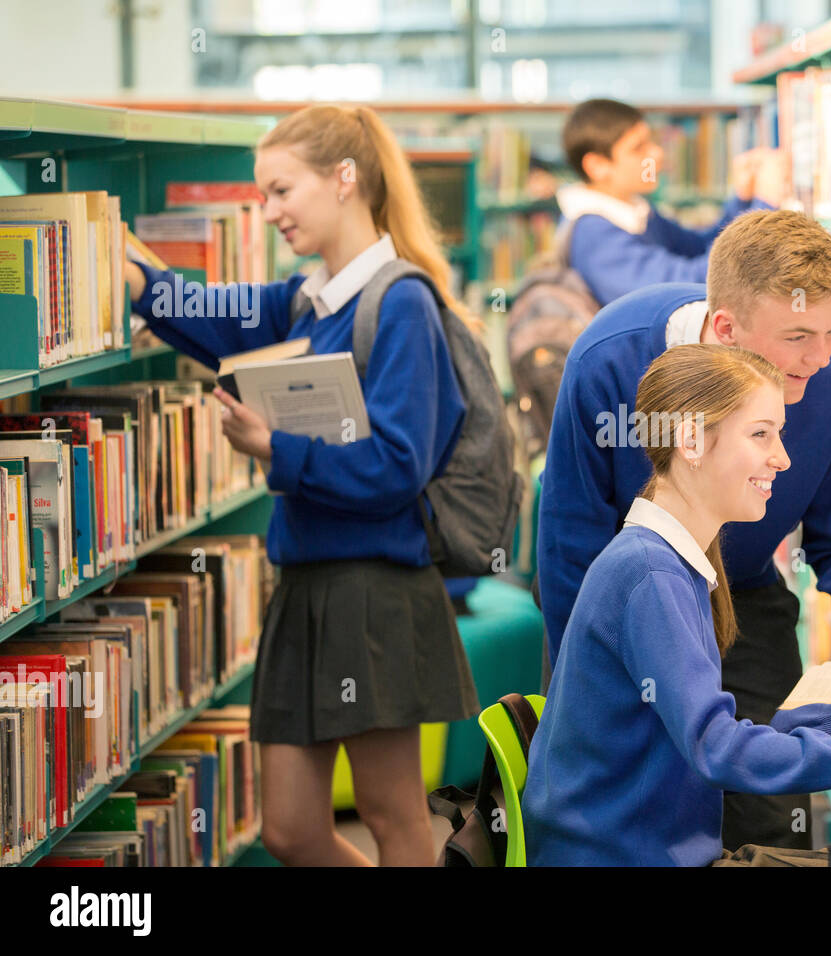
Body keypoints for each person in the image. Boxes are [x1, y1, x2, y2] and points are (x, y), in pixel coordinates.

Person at [124, 104, 479, 866]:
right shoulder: (309, 298)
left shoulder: (401, 302)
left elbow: (396, 467)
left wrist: (275, 449)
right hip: (306, 588)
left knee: (393, 818)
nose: (271, 211)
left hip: (373, 593)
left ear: (344, 179)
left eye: (282, 190)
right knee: (287, 828)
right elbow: (213, 317)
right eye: (263, 196)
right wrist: (139, 282)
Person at [536, 209, 831, 852]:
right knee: (648, 776)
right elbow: (569, 544)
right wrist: (589, 688)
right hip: (633, 596)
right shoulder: (608, 358)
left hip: (743, 593)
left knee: (769, 815)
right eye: (797, 336)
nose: (822, 357)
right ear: (726, 328)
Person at [524, 345, 831, 866]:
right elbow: (719, 749)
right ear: (690, 440)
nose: (783, 458)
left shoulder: (666, 559)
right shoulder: (651, 576)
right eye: (761, 434)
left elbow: (720, 734)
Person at [557, 98, 787, 306]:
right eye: (638, 148)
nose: (656, 153)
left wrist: (742, 200)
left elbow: (697, 247)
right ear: (597, 166)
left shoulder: (634, 212)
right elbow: (688, 285)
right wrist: (765, 204)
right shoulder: (595, 234)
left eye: (652, 142)